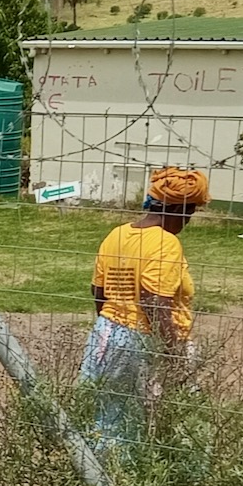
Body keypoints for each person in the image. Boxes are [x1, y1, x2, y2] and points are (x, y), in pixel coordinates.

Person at [78, 166, 210, 455]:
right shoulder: (166, 243)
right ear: (177, 209)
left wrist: (115, 320)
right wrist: (173, 353)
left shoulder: (117, 235)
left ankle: (92, 470)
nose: (188, 221)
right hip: (143, 339)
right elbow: (154, 301)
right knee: (151, 420)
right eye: (189, 212)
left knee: (105, 414)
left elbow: (98, 292)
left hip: (105, 333)